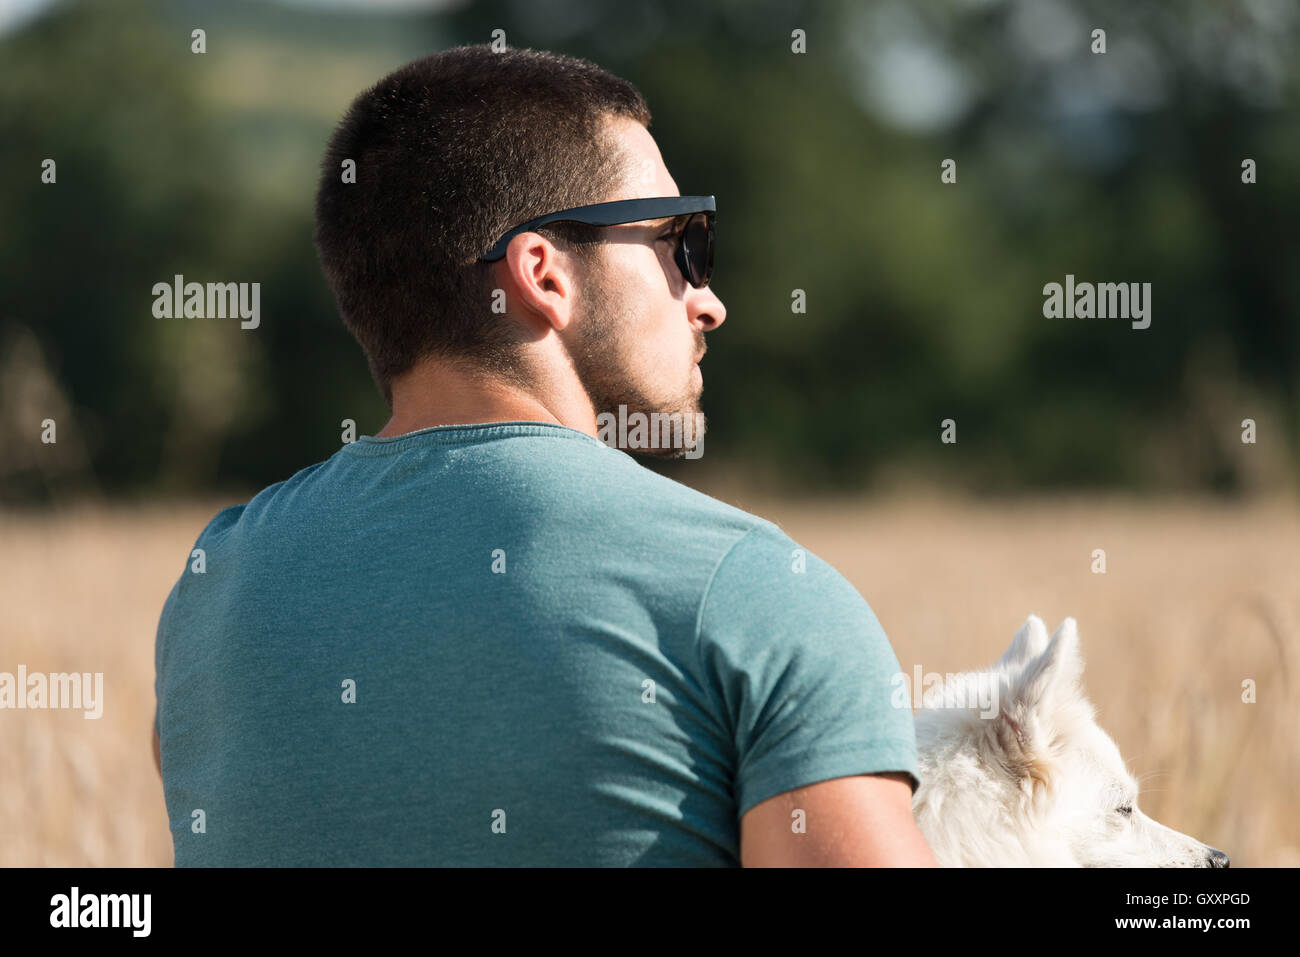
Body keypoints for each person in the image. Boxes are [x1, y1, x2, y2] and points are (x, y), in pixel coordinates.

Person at [153, 44, 936, 867]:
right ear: (543, 275)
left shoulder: (215, 586)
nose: (707, 299)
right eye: (680, 242)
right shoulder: (756, 596)